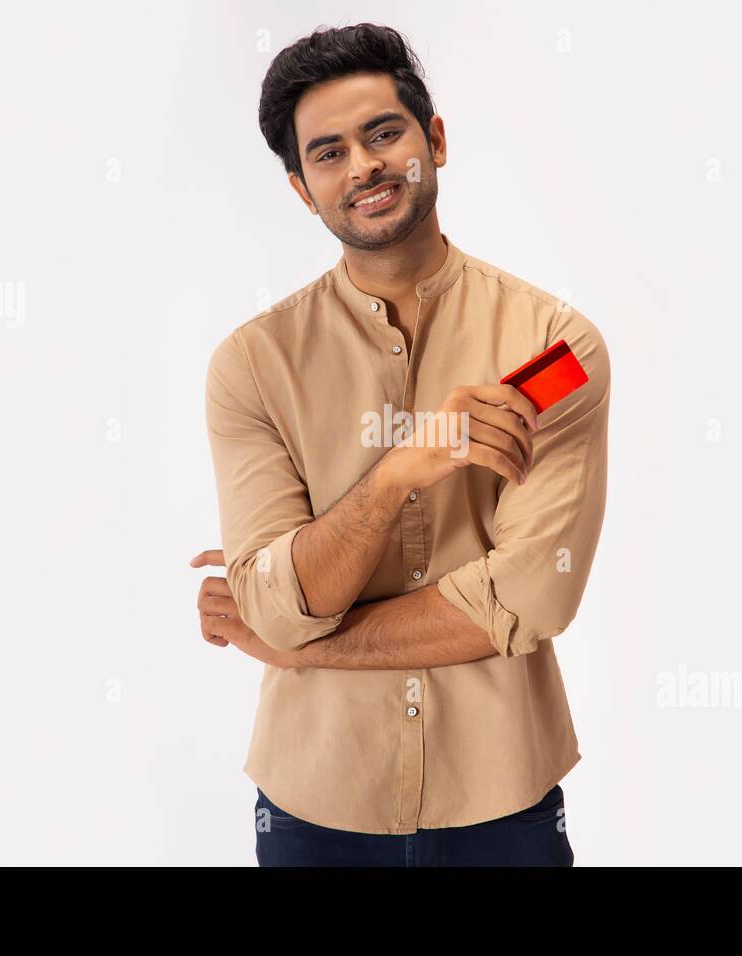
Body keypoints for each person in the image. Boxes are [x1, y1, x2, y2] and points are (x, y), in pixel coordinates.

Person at [191, 22, 610, 866]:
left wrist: (303, 641)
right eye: (329, 153)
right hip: (314, 805)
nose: (364, 166)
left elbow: (533, 596)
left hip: (505, 803)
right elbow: (273, 605)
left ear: (436, 141)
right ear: (303, 190)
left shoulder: (553, 346)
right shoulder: (253, 366)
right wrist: (396, 477)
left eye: (383, 134)